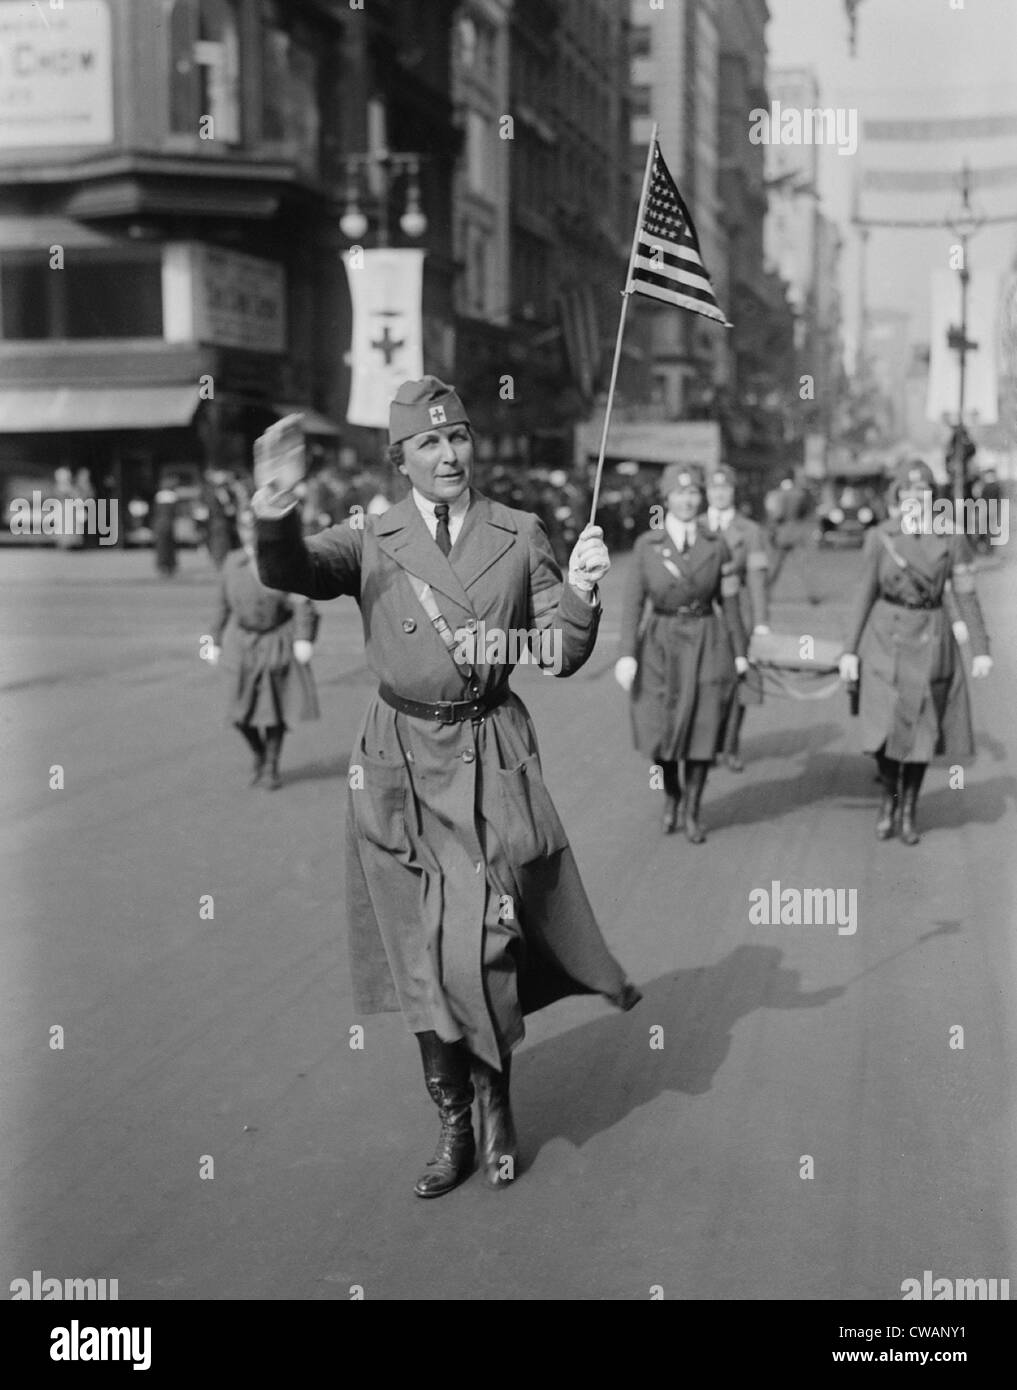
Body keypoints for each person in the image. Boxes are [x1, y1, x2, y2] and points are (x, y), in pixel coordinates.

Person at [251, 376, 640, 1198]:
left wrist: (583, 594)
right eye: (427, 443)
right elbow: (291, 568)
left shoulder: (518, 531)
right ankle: (453, 1121)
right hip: (394, 762)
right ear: (400, 461)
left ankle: (495, 1097)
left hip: (487, 750)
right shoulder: (370, 538)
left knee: (486, 941)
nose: (448, 453)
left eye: (457, 437)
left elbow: (558, 654)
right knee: (419, 954)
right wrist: (275, 505)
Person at [838, 459, 992, 846]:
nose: (915, 498)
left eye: (922, 491)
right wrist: (849, 651)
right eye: (907, 492)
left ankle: (908, 809)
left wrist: (980, 649)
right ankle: (889, 799)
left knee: (922, 731)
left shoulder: (951, 537)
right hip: (884, 638)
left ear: (931, 496)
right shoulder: (880, 537)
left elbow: (966, 595)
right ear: (897, 497)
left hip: (931, 635)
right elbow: (862, 595)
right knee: (884, 730)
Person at [615, 464, 750, 843]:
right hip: (660, 640)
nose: (688, 500)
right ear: (667, 498)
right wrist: (627, 654)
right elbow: (632, 603)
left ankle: (692, 808)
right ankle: (672, 792)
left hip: (707, 638)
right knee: (657, 728)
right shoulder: (647, 545)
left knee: (703, 725)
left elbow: (730, 602)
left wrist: (740, 652)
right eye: (679, 493)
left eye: (694, 494)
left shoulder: (716, 542)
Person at [207, 509, 320, 790]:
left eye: (255, 528)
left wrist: (303, 638)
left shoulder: (283, 561)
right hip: (240, 641)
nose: (250, 533)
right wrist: (212, 640)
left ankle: (270, 765)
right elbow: (220, 606)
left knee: (274, 708)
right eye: (244, 527)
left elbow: (303, 602)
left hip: (275, 638)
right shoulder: (232, 562)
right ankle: (258, 753)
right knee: (237, 709)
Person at [705, 464, 771, 771]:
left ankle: (730, 745)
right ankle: (708, 743)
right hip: (703, 611)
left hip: (738, 610)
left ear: (733, 492)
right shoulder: (696, 524)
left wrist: (759, 623)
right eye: (714, 488)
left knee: (738, 678)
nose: (720, 493)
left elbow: (757, 579)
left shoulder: (750, 530)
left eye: (725, 488)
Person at [151, 476, 179, 577]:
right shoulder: (173, 496)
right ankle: (170, 565)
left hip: (159, 522)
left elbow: (156, 511)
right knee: (170, 545)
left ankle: (161, 565)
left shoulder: (159, 496)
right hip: (169, 523)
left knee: (161, 545)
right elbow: (175, 511)